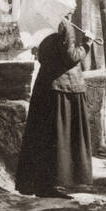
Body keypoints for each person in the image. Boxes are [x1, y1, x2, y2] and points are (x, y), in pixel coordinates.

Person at [16, 18, 94, 198]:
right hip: (63, 87)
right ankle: (56, 183)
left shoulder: (44, 26)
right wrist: (87, 44)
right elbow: (71, 58)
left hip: (45, 87)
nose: (73, 6)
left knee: (46, 137)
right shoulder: (64, 25)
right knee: (60, 137)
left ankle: (43, 184)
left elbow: (42, 56)